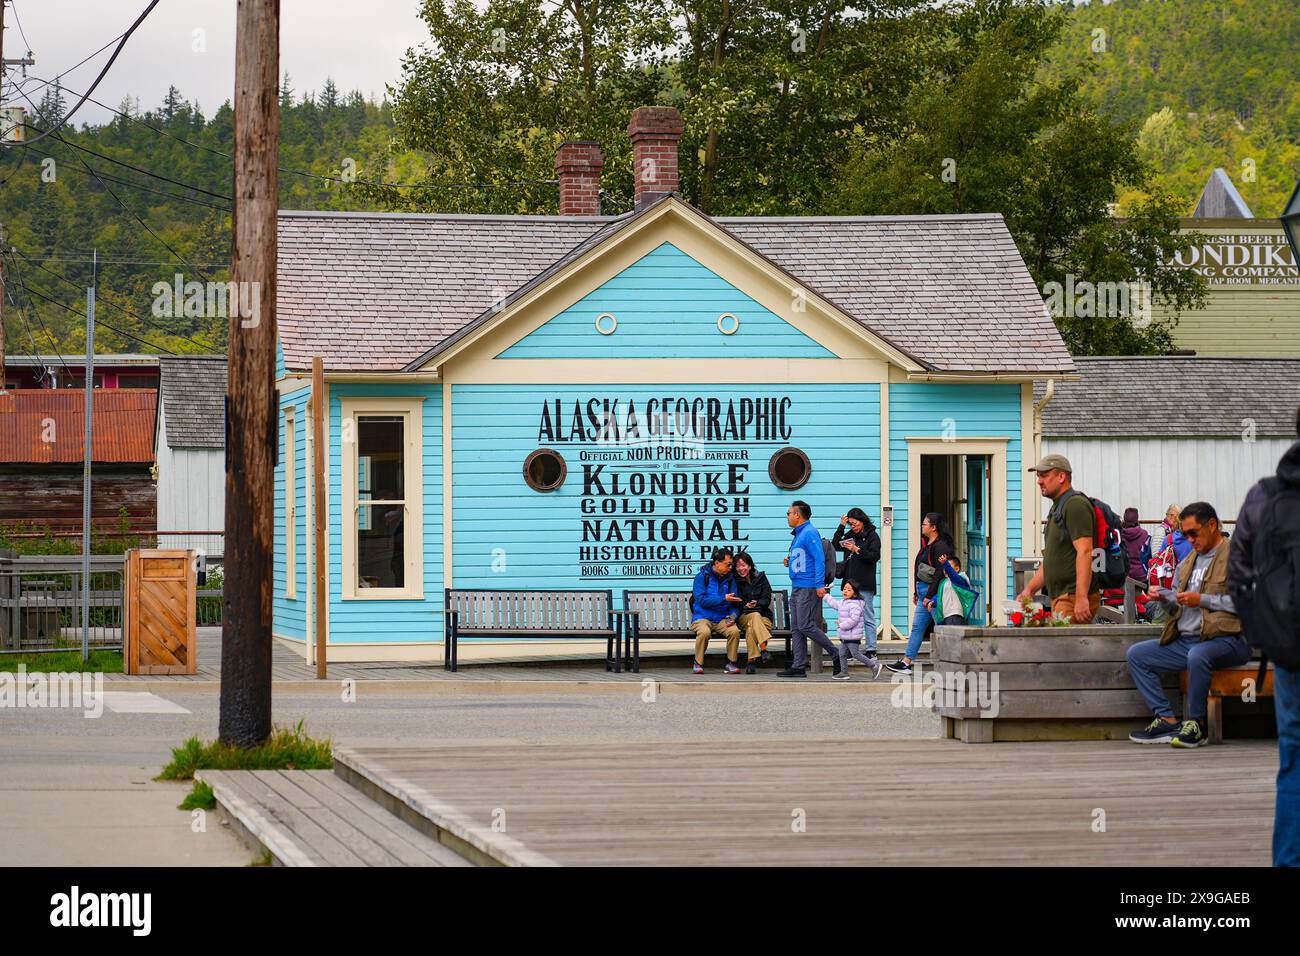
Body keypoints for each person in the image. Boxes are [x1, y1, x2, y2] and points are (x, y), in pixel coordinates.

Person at [1229, 405, 1300, 865]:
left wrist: (1264, 637)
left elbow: (1239, 576)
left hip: (1292, 650)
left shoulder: (1264, 496)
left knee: (1294, 760)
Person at [1125, 502, 1251, 749]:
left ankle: (1196, 724)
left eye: (1194, 533)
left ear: (1212, 525)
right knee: (1137, 655)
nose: (1189, 539)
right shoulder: (1187, 562)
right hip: (1187, 642)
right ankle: (1167, 719)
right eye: (1184, 534)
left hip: (1227, 640)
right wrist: (1165, 598)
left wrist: (1201, 599)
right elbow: (1177, 610)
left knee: (1197, 655)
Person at [1016, 454, 1100, 624]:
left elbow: (1085, 550)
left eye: (1045, 475)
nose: (1039, 481)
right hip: (1061, 598)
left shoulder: (1075, 505)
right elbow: (1051, 561)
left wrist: (1081, 597)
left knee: (1063, 650)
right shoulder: (1058, 507)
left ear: (1062, 477)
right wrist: (1029, 590)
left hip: (1072, 597)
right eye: (1038, 476)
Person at [885, 512, 955, 675]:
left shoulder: (940, 546)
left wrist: (930, 595)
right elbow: (919, 568)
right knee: (917, 627)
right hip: (923, 592)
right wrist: (916, 592)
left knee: (942, 627)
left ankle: (950, 662)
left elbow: (939, 572)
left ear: (933, 527)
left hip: (934, 593)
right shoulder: (927, 544)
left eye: (925, 524)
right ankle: (906, 662)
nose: (922, 526)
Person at [778, 500, 839, 678]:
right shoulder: (799, 534)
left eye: (789, 513)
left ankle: (836, 654)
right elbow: (806, 558)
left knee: (805, 625)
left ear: (798, 515)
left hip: (808, 587)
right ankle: (798, 666)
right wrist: (791, 562)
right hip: (797, 586)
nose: (787, 516)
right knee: (796, 628)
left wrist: (819, 585)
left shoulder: (810, 532)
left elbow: (819, 559)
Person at [832, 508, 882, 655]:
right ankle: (849, 649)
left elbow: (874, 556)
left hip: (865, 582)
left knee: (867, 616)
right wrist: (841, 526)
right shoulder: (849, 535)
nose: (853, 527)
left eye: (855, 524)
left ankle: (871, 648)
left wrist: (857, 549)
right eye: (851, 524)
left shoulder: (872, 536)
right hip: (850, 584)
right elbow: (835, 545)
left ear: (862, 521)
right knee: (848, 617)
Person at [690, 547, 743, 675]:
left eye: (731, 564)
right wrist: (723, 598)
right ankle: (698, 663)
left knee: (734, 631)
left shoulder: (730, 579)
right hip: (703, 617)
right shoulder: (701, 577)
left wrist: (733, 617)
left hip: (722, 618)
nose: (730, 567)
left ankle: (731, 663)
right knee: (704, 632)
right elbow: (702, 600)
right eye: (728, 564)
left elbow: (736, 604)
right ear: (717, 563)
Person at [823, 579, 883, 680]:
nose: (845, 591)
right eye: (844, 589)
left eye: (849, 590)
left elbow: (853, 620)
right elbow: (834, 603)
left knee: (855, 654)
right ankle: (844, 673)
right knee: (841, 654)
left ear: (855, 593)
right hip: (845, 636)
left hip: (853, 636)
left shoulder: (855, 605)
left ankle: (874, 665)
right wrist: (825, 595)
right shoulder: (843, 603)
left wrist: (842, 625)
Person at [733, 551, 774, 673]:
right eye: (738, 566)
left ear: (750, 565)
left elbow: (766, 598)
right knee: (754, 617)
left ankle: (751, 661)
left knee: (752, 628)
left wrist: (758, 603)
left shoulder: (761, 578)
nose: (741, 569)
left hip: (763, 615)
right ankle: (764, 649)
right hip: (743, 616)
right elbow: (735, 601)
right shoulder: (734, 581)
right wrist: (744, 604)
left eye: (743, 565)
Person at [932, 554, 974, 625]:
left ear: (957, 569)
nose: (945, 569)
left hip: (955, 614)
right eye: (944, 567)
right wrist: (933, 601)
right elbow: (940, 596)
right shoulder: (944, 582)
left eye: (948, 566)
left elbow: (953, 575)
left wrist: (945, 564)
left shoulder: (959, 579)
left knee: (953, 635)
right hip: (945, 614)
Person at [1120, 507, 1152, 582]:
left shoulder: (1119, 535)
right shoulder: (1144, 534)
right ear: (1137, 519)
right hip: (1141, 575)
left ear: (1124, 519)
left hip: (1124, 575)